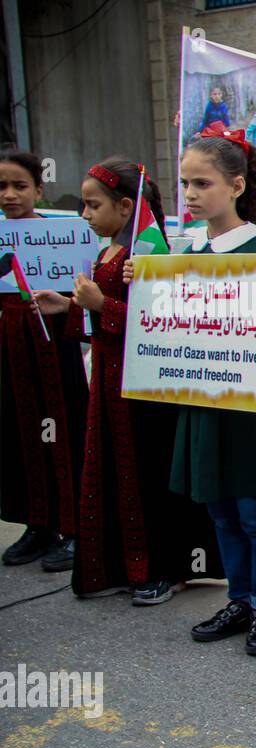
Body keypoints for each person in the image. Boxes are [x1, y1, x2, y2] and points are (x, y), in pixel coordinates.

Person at [125, 126, 256, 655]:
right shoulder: (184, 251)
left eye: (203, 183)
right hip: (205, 402)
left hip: (252, 409)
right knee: (221, 508)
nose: (193, 194)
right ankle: (240, 597)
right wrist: (145, 285)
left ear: (238, 186)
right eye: (186, 185)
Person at [31, 159, 222, 602]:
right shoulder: (108, 251)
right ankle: (123, 564)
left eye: (93, 205)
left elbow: (160, 322)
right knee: (117, 471)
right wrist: (68, 305)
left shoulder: (151, 251)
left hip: (145, 389)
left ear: (124, 205)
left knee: (151, 474)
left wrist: (101, 305)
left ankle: (165, 568)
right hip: (109, 382)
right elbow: (101, 310)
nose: (85, 214)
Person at [0, 150, 88, 571]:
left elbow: (81, 296)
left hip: (55, 342)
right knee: (21, 432)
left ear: (39, 188)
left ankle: (73, 526)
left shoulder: (64, 234)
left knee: (63, 429)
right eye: (1, 187)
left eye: (20, 186)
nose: (10, 195)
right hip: (11, 348)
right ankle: (38, 523)